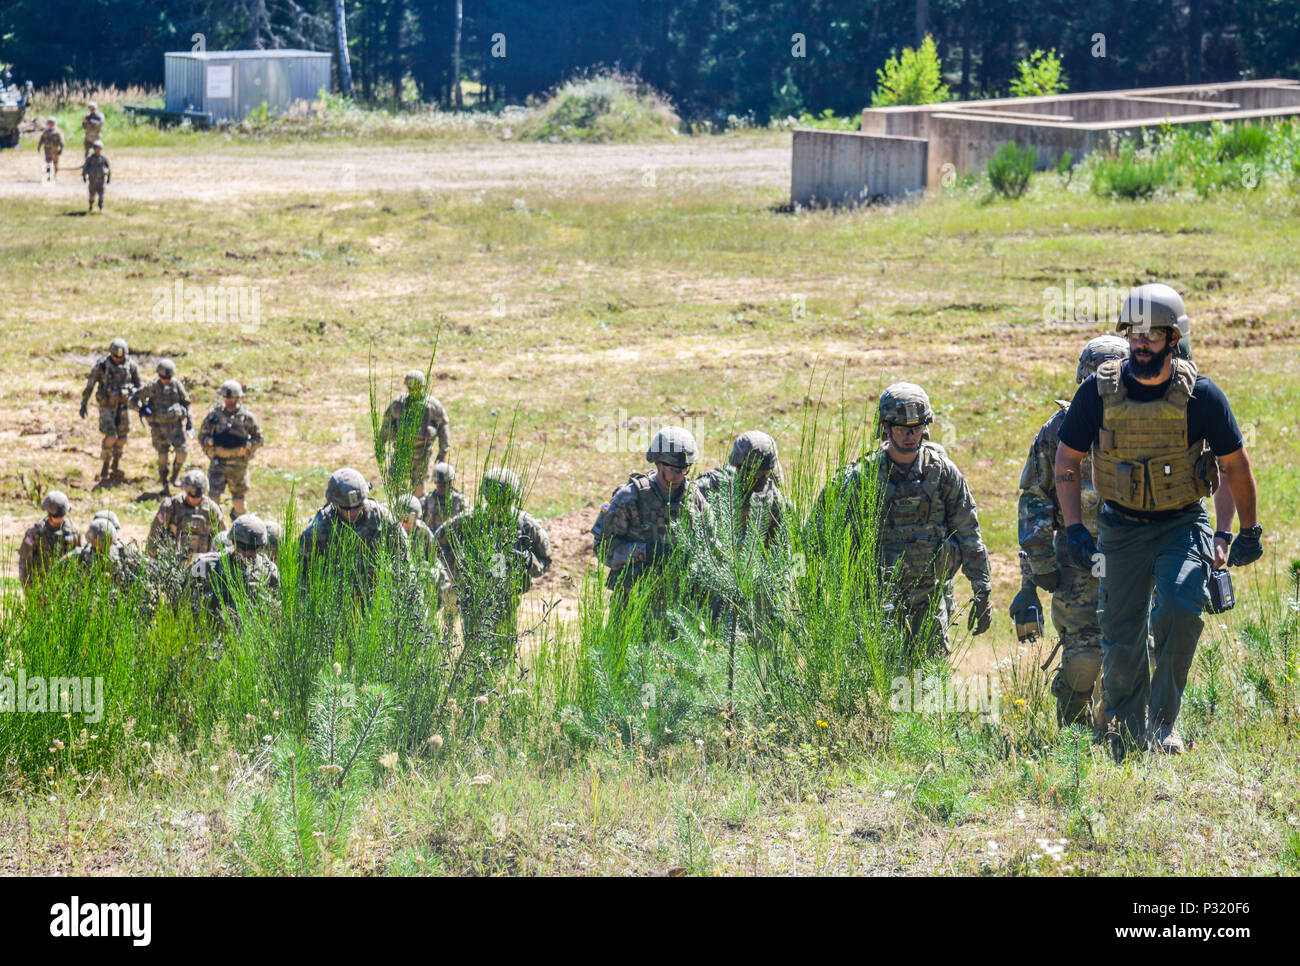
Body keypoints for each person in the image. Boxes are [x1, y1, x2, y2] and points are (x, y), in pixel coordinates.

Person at [1054, 284, 1263, 758]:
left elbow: (1236, 466)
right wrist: (1073, 528)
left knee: (1179, 607)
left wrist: (1243, 531)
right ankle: (1127, 736)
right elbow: (1066, 462)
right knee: (1121, 632)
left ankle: (1163, 722)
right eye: (1134, 334)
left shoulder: (1201, 396)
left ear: (1174, 338)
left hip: (1181, 522)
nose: (1140, 343)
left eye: (1152, 335)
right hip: (1120, 528)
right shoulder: (1098, 393)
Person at [812, 383, 993, 659]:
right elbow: (819, 533)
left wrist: (982, 592)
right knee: (876, 689)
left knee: (926, 690)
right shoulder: (862, 478)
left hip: (929, 600)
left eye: (917, 428)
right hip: (875, 604)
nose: (910, 436)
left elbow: (969, 533)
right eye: (901, 428)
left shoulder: (943, 473)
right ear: (885, 427)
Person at [1013, 336, 1129, 728]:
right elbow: (1034, 500)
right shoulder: (1057, 431)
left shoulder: (1150, 428)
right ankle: (1074, 735)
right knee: (1083, 661)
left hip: (1136, 560)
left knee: (1139, 655)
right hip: (1077, 565)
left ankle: (1125, 734)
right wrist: (1038, 567)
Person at [435, 468, 551, 656]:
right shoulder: (469, 520)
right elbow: (439, 542)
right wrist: (457, 570)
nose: (498, 510)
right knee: (474, 651)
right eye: (494, 503)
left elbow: (545, 561)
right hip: (474, 596)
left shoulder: (526, 525)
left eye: (502, 504)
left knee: (503, 651)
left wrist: (528, 562)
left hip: (506, 598)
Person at [592, 427, 710, 604]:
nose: (678, 477)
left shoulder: (694, 499)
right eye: (672, 469)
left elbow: (712, 545)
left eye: (684, 470)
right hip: (633, 600)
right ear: (657, 462)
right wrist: (646, 552)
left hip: (680, 605)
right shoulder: (630, 497)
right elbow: (602, 548)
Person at [297, 467, 409, 600]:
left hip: (378, 601)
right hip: (336, 603)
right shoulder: (319, 530)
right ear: (335, 504)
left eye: (358, 506)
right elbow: (302, 576)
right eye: (346, 508)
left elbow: (404, 562)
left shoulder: (382, 519)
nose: (353, 512)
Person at [188, 514, 280, 622]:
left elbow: (275, 610)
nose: (248, 553)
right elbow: (183, 601)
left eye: (254, 548)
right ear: (233, 542)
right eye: (243, 547)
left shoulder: (269, 571)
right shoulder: (205, 566)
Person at [377, 370, 450, 498]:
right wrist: (381, 446)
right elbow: (386, 425)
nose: (413, 390)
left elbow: (443, 427)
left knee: (418, 484)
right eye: (411, 387)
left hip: (422, 451)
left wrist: (443, 452)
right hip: (401, 450)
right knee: (395, 481)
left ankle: (417, 510)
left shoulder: (432, 405)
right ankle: (400, 508)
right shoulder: (399, 404)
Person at [79, 337, 141, 482]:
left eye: (121, 357)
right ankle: (106, 464)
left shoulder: (131, 366)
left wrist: (143, 404)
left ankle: (116, 464)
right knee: (111, 436)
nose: (118, 359)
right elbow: (90, 384)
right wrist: (84, 403)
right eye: (115, 357)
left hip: (123, 406)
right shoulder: (102, 366)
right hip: (107, 407)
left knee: (122, 438)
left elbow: (139, 386)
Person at [199, 380, 263, 517]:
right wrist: (209, 448)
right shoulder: (214, 416)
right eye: (226, 398)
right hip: (218, 463)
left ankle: (242, 530)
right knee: (213, 501)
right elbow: (202, 435)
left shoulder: (246, 417)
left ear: (238, 398)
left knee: (239, 502)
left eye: (232, 398)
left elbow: (259, 438)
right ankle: (214, 530)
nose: (229, 401)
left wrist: (247, 449)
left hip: (238, 464)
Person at [132, 358, 192, 493]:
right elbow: (133, 399)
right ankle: (164, 481)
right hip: (158, 428)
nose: (165, 380)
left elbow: (186, 402)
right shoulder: (152, 387)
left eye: (168, 377)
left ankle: (174, 477)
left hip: (175, 427)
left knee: (182, 452)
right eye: (163, 377)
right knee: (162, 455)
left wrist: (189, 420)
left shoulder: (177, 385)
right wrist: (141, 410)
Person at [147, 468, 224, 563]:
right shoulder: (170, 507)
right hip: (173, 563)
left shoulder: (212, 510)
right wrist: (152, 559)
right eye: (191, 495)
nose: (194, 499)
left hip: (203, 565)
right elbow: (154, 534)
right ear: (185, 490)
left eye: (198, 496)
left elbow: (222, 539)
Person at [18, 490, 82, 590]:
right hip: (40, 588)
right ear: (48, 513)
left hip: (65, 588)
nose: (59, 519)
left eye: (62, 515)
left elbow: (79, 560)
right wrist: (28, 589)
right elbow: (24, 563)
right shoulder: (34, 533)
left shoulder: (73, 532)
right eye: (56, 516)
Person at [421, 462, 466, 534]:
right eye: (439, 484)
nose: (442, 488)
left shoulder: (460, 501)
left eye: (445, 484)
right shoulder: (426, 501)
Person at [83, 140, 110, 212]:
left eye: (99, 149)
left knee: (101, 195)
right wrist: (84, 176)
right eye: (96, 149)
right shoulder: (90, 158)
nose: (98, 150)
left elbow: (108, 168)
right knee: (92, 195)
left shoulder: (103, 158)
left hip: (101, 180)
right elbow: (85, 167)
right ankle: (91, 205)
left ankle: (100, 208)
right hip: (92, 180)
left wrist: (108, 178)